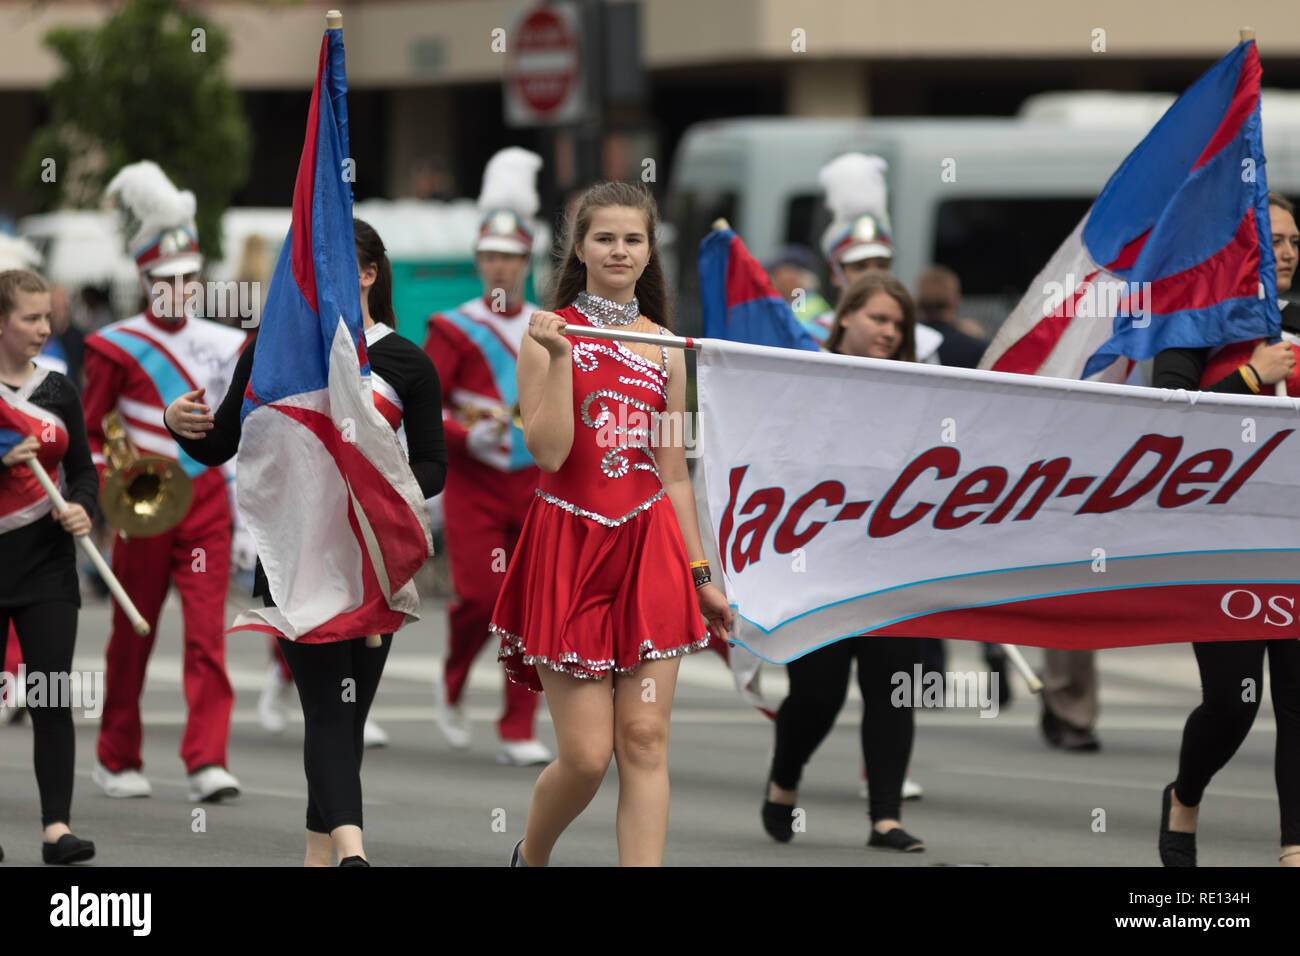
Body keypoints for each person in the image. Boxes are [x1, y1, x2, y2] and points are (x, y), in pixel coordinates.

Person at [165, 218, 447, 866]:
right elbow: (219, 444)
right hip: (294, 558)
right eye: (307, 266)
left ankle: (319, 857)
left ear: (370, 274)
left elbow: (433, 465)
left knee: (346, 720)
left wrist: (380, 489)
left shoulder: (406, 360)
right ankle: (354, 853)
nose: (314, 279)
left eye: (333, 266)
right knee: (325, 707)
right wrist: (176, 423)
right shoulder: (271, 349)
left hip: (372, 561)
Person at [492, 181, 732, 867]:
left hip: (651, 548)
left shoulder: (669, 349)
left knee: (645, 740)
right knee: (588, 756)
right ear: (580, 248)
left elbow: (674, 473)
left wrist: (702, 574)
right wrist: (564, 358)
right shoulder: (546, 333)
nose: (619, 250)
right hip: (568, 544)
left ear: (650, 250)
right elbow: (549, 452)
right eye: (605, 238)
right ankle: (531, 856)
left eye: (633, 239)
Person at [82, 161, 249, 803]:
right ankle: (115, 755)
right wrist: (108, 486)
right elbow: (94, 431)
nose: (179, 289)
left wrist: (242, 516)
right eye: (166, 280)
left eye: (187, 278)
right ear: (145, 280)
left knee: (207, 633)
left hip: (205, 497)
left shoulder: (225, 342)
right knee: (134, 628)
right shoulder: (113, 345)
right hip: (142, 500)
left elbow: (237, 431)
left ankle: (207, 758)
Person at [1152, 191, 1300, 867]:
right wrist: (1249, 375)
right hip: (1222, 545)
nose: (1290, 252)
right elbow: (1166, 424)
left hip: (1294, 539)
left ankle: (1294, 846)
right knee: (1234, 704)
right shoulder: (1194, 322)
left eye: (1296, 240)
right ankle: (1184, 795)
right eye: (1274, 240)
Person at [762, 272, 929, 853]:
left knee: (894, 688)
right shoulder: (804, 379)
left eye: (898, 325)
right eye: (878, 319)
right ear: (847, 318)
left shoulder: (922, 391)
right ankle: (785, 777)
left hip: (890, 566)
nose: (889, 332)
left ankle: (884, 817)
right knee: (818, 694)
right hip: (819, 568)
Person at [423, 147, 551, 766]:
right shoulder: (452, 327)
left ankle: (516, 724)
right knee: (479, 595)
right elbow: (426, 406)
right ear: (478, 262)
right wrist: (459, 434)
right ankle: (451, 683)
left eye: (512, 257)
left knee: (530, 600)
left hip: (533, 477)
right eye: (491, 256)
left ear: (528, 263)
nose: (501, 267)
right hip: (475, 479)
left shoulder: (551, 328)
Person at [0, 269, 98, 864]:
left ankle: (56, 829)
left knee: (51, 695)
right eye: (29, 319)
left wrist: (84, 507)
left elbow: (83, 467)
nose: (44, 328)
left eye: (46, 317)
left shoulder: (59, 389)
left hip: (48, 567)